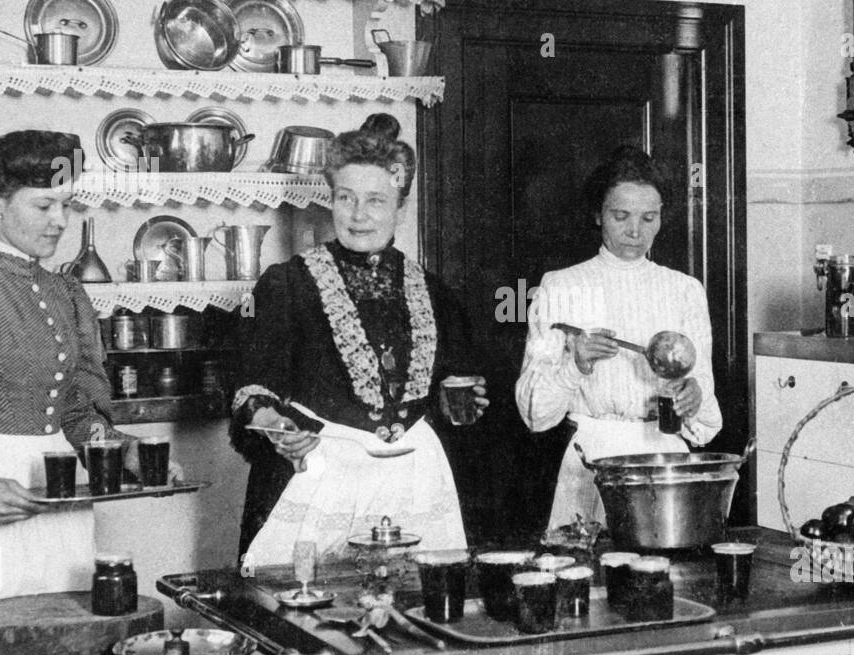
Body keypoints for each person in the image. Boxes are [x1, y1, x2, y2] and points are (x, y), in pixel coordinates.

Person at [0, 131, 160, 655]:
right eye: (43, 205)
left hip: (60, 499)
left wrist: (121, 450)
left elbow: (75, 415)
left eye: (66, 204)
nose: (60, 221)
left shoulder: (67, 293)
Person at [230, 113, 486, 567]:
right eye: (345, 198)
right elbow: (253, 388)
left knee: (416, 610)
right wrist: (276, 426)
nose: (358, 214)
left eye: (375, 200)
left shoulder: (434, 291)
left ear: (400, 209)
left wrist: (453, 405)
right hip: (321, 476)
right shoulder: (286, 285)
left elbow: (452, 389)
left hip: (413, 479)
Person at [516, 145, 722, 526]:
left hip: (665, 460)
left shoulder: (685, 290)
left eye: (649, 217)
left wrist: (695, 396)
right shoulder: (559, 287)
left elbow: (707, 426)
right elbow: (534, 414)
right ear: (598, 215)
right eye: (620, 215)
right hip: (589, 460)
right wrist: (575, 365)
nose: (634, 231)